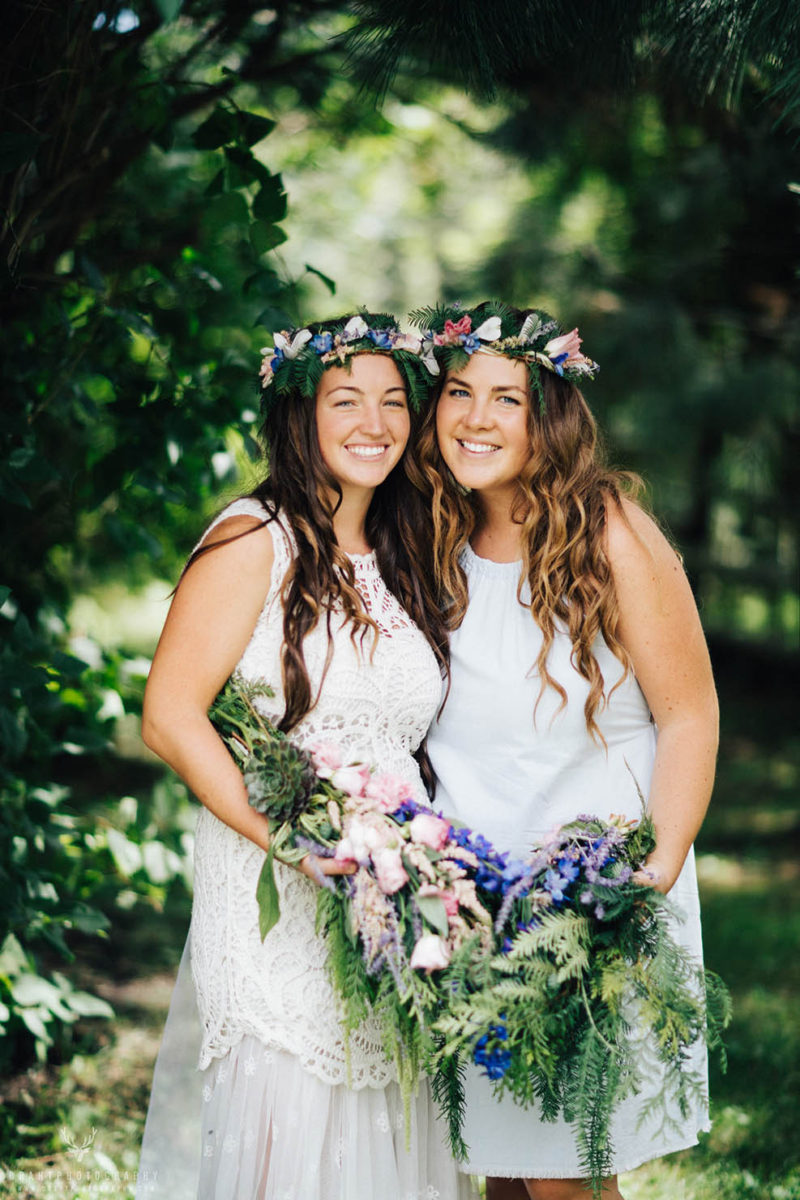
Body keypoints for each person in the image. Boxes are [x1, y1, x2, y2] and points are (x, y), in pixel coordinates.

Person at [138, 312, 477, 1200]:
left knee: (385, 1123)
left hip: (396, 889)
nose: (375, 423)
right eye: (346, 400)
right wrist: (294, 844)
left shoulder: (404, 552)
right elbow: (170, 718)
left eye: (394, 401)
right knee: (292, 1128)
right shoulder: (254, 539)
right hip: (278, 888)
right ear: (301, 414)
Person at [413, 301, 719, 1200]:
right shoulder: (429, 533)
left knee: (566, 1177)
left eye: (506, 398)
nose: (476, 417)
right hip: (471, 896)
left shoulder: (611, 531)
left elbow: (691, 714)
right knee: (501, 1171)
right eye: (459, 392)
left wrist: (648, 880)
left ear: (549, 415)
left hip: (590, 890)